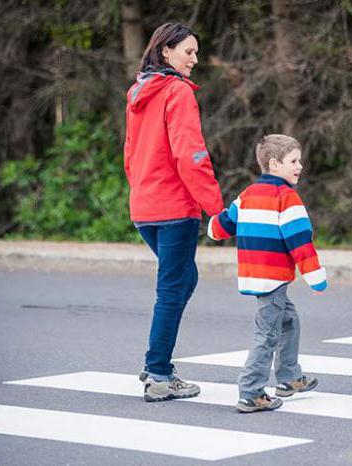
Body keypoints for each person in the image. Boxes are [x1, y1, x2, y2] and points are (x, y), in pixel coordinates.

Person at [123, 23, 224, 402]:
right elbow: (191, 155)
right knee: (172, 288)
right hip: (174, 207)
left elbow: (129, 154)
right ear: (166, 51)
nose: (195, 60)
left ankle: (158, 364)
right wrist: (216, 210)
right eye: (189, 52)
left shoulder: (138, 92)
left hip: (144, 207)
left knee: (183, 280)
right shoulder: (177, 92)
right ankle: (159, 373)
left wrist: (140, 194)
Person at [207, 134, 327, 413]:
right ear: (274, 164)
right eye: (294, 161)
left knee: (288, 320)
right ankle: (251, 391)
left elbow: (225, 223)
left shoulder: (248, 194)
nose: (301, 166)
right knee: (267, 334)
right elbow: (300, 240)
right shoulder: (287, 198)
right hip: (272, 277)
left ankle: (289, 377)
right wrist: (315, 276)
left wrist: (212, 228)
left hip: (254, 273)